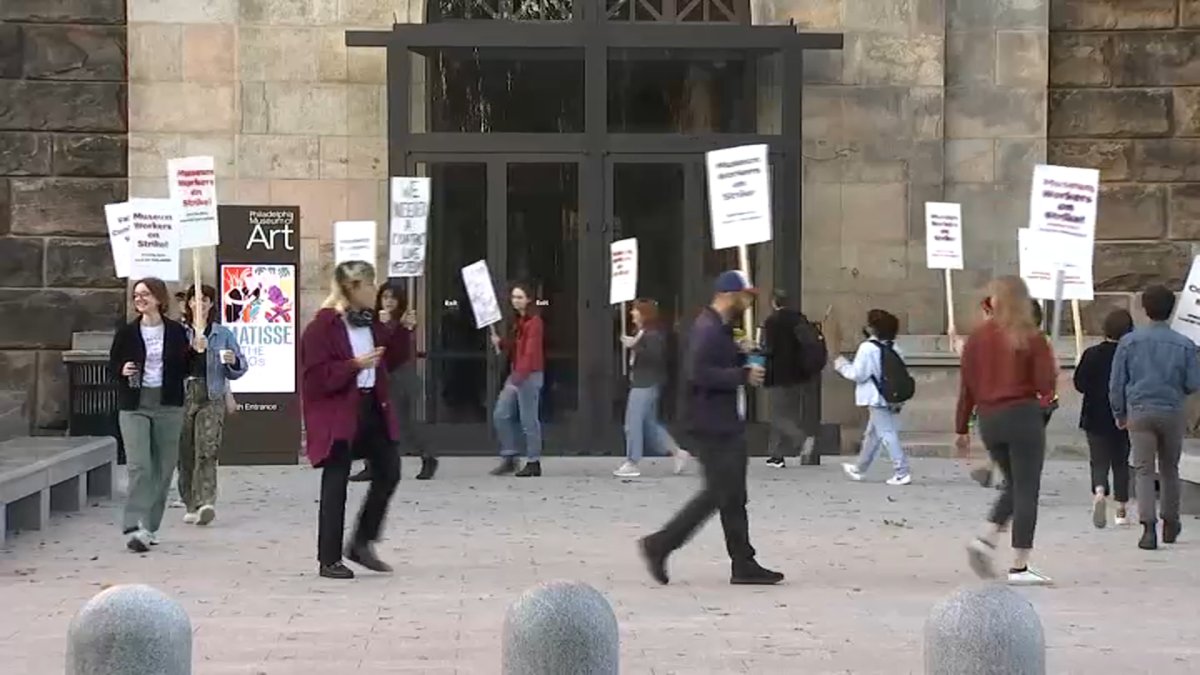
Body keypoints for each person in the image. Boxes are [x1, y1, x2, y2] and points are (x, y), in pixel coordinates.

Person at [638, 271, 783, 586]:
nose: (749, 302)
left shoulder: (719, 328)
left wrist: (741, 352)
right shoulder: (707, 329)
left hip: (724, 421)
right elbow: (699, 373)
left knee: (733, 495)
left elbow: (715, 363)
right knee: (718, 493)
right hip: (710, 424)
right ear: (730, 294)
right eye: (746, 296)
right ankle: (660, 544)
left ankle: (743, 562)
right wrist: (742, 375)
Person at [300, 261, 410, 579]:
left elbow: (391, 358)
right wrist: (354, 365)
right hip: (337, 411)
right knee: (336, 480)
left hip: (371, 406)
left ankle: (361, 542)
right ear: (353, 288)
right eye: (370, 285)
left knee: (389, 469)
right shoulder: (322, 327)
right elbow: (316, 378)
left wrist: (402, 329)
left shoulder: (369, 321)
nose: (375, 291)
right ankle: (329, 558)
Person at [957, 276, 1057, 586]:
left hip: (989, 419)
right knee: (1026, 487)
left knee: (1013, 484)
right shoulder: (1031, 337)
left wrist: (961, 428)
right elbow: (1045, 386)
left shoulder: (976, 338)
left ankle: (985, 538)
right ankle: (1020, 564)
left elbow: (967, 387)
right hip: (1022, 416)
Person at [1109, 284, 1200, 550]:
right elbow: (1194, 382)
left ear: (1145, 309)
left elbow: (1116, 382)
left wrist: (1119, 412)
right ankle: (1170, 520)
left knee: (1144, 470)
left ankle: (1148, 527)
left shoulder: (1129, 342)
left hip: (1139, 409)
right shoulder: (1185, 345)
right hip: (1171, 410)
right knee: (1170, 468)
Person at [109, 278, 192, 553]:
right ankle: (133, 524)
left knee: (163, 468)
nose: (139, 299)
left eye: (145, 294)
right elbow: (112, 365)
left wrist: (199, 349)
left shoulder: (177, 332)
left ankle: (150, 527)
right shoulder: (126, 333)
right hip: (135, 404)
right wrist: (122, 370)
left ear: (159, 298)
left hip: (168, 404)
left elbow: (190, 367)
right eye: (136, 295)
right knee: (140, 466)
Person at [351, 282, 438, 482]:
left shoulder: (402, 323)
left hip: (398, 376)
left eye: (393, 298)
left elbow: (394, 352)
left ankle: (428, 456)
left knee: (403, 422)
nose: (388, 301)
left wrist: (392, 327)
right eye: (385, 297)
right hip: (377, 376)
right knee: (371, 422)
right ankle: (371, 465)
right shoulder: (374, 320)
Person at [179, 284, 248, 526]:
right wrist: (191, 348)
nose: (200, 304)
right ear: (189, 303)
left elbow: (240, 366)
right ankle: (189, 500)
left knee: (207, 448)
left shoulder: (223, 334)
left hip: (212, 393)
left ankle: (205, 501)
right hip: (184, 394)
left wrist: (233, 361)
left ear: (211, 304)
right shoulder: (180, 332)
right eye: (196, 299)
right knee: (186, 450)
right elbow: (172, 364)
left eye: (205, 300)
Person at [828, 309, 912, 485]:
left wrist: (840, 363)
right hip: (889, 395)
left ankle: (901, 471)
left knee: (886, 433)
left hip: (874, 397)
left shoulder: (867, 348)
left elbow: (858, 374)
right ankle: (860, 467)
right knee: (873, 434)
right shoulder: (895, 348)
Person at [613, 299, 690, 478]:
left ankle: (632, 461)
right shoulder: (644, 333)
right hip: (644, 382)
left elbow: (655, 356)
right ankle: (677, 452)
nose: (632, 313)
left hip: (645, 383)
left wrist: (634, 346)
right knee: (650, 424)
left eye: (635, 311)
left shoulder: (652, 334)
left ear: (644, 313)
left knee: (632, 422)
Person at [1073, 308, 1134, 528]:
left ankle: (1099, 491)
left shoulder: (1091, 353)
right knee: (1121, 462)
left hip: (1094, 414)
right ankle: (1121, 509)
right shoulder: (1129, 354)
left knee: (1098, 459)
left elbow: (1079, 383)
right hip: (1123, 415)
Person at [761, 290, 824, 468]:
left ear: (774, 302)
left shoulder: (772, 321)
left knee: (777, 416)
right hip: (800, 375)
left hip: (779, 374)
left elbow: (769, 348)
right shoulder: (801, 319)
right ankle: (776, 455)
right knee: (786, 415)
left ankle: (802, 439)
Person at [489, 283, 545, 478]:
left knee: (529, 419)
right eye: (514, 297)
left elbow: (530, 353)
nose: (516, 301)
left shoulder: (534, 322)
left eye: (520, 297)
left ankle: (533, 461)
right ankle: (510, 456)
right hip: (518, 374)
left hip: (528, 375)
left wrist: (518, 377)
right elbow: (516, 346)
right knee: (500, 414)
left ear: (529, 299)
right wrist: (502, 343)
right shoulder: (520, 321)